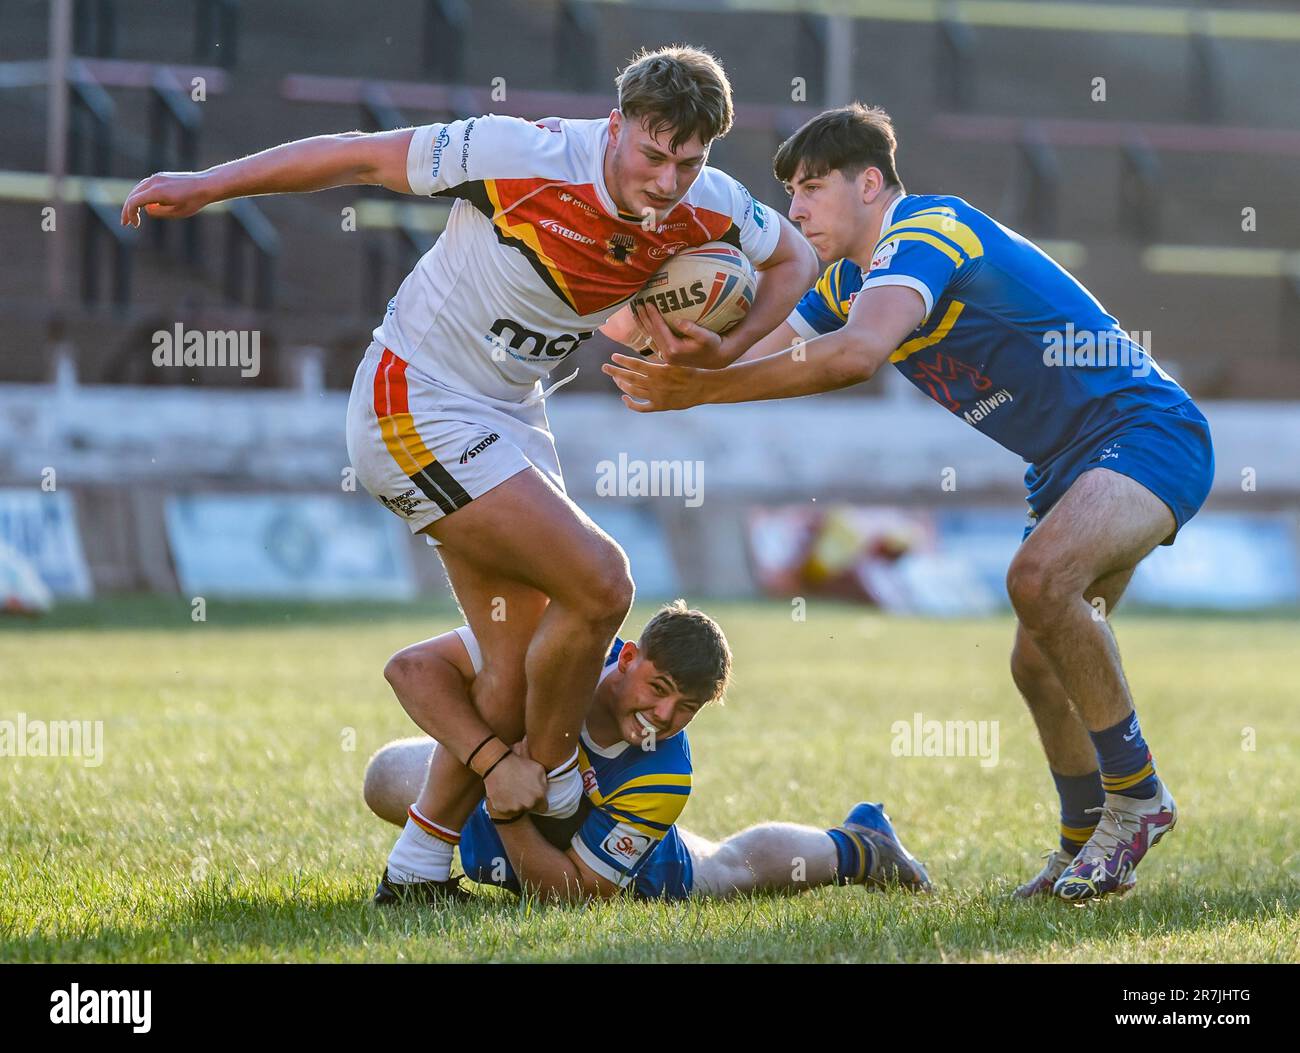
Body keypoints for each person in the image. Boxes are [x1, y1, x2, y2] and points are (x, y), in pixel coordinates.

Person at [122, 46, 818, 898]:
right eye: (653, 153)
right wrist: (205, 185)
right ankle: (557, 778)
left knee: (517, 667)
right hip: (411, 400)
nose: (670, 180)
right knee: (602, 584)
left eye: (690, 161)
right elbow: (357, 154)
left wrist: (721, 354)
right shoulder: (515, 154)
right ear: (616, 125)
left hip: (509, 415)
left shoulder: (709, 204)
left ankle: (416, 868)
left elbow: (796, 261)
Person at [602, 104, 1214, 902]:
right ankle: (1082, 844)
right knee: (1035, 663)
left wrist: (703, 388)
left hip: (1146, 431)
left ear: (868, 183)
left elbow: (853, 356)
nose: (796, 210)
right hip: (1068, 463)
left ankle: (1137, 799)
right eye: (789, 193)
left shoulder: (925, 231)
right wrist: (679, 343)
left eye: (812, 188)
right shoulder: (853, 278)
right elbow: (774, 341)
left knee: (1038, 579)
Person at [364, 601, 931, 902]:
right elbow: (411, 669)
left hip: (625, 860)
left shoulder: (665, 772)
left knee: (724, 869)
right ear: (629, 655)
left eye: (686, 708)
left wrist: (508, 810)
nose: (664, 718)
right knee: (386, 776)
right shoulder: (561, 647)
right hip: (514, 794)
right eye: (658, 690)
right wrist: (492, 761)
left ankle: (860, 845)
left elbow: (579, 897)